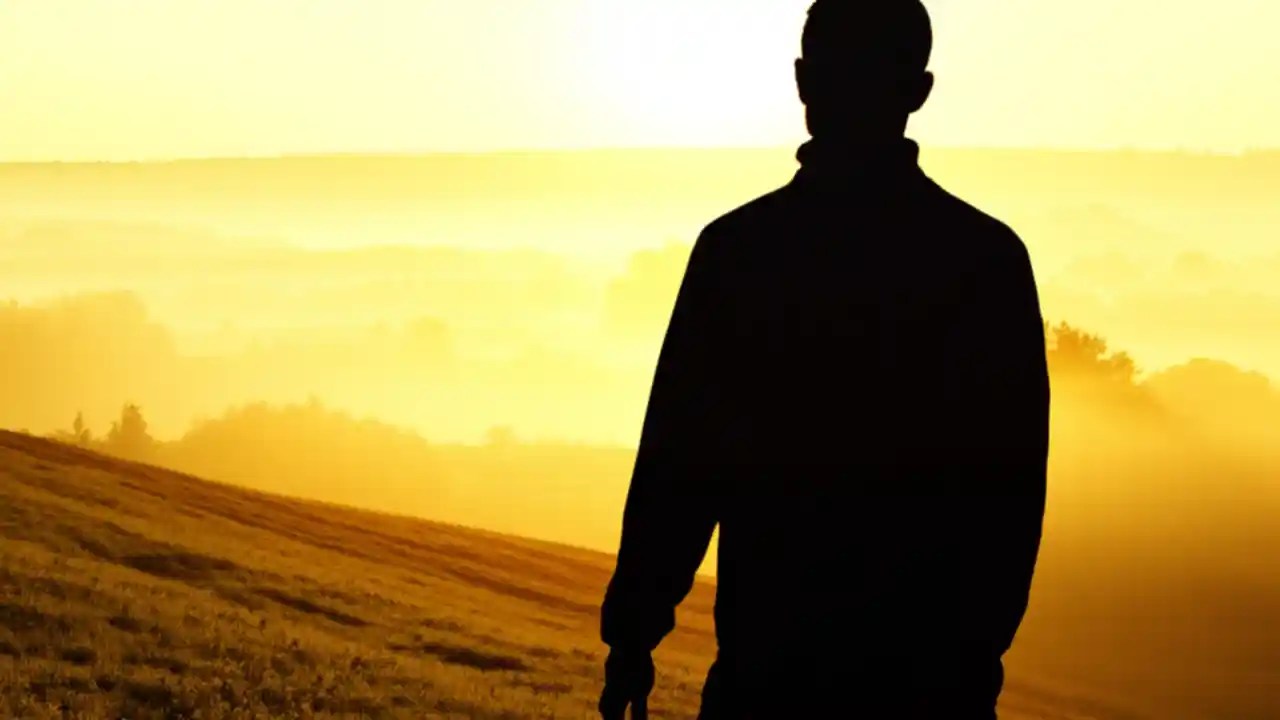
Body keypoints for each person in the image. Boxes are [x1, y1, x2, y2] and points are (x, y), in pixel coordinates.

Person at [598, 1, 1051, 718]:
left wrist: (632, 636)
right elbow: (1012, 490)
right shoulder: (985, 260)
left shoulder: (741, 253)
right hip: (930, 683)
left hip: (770, 676)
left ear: (804, 82)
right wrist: (972, 657)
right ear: (920, 91)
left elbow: (678, 465)